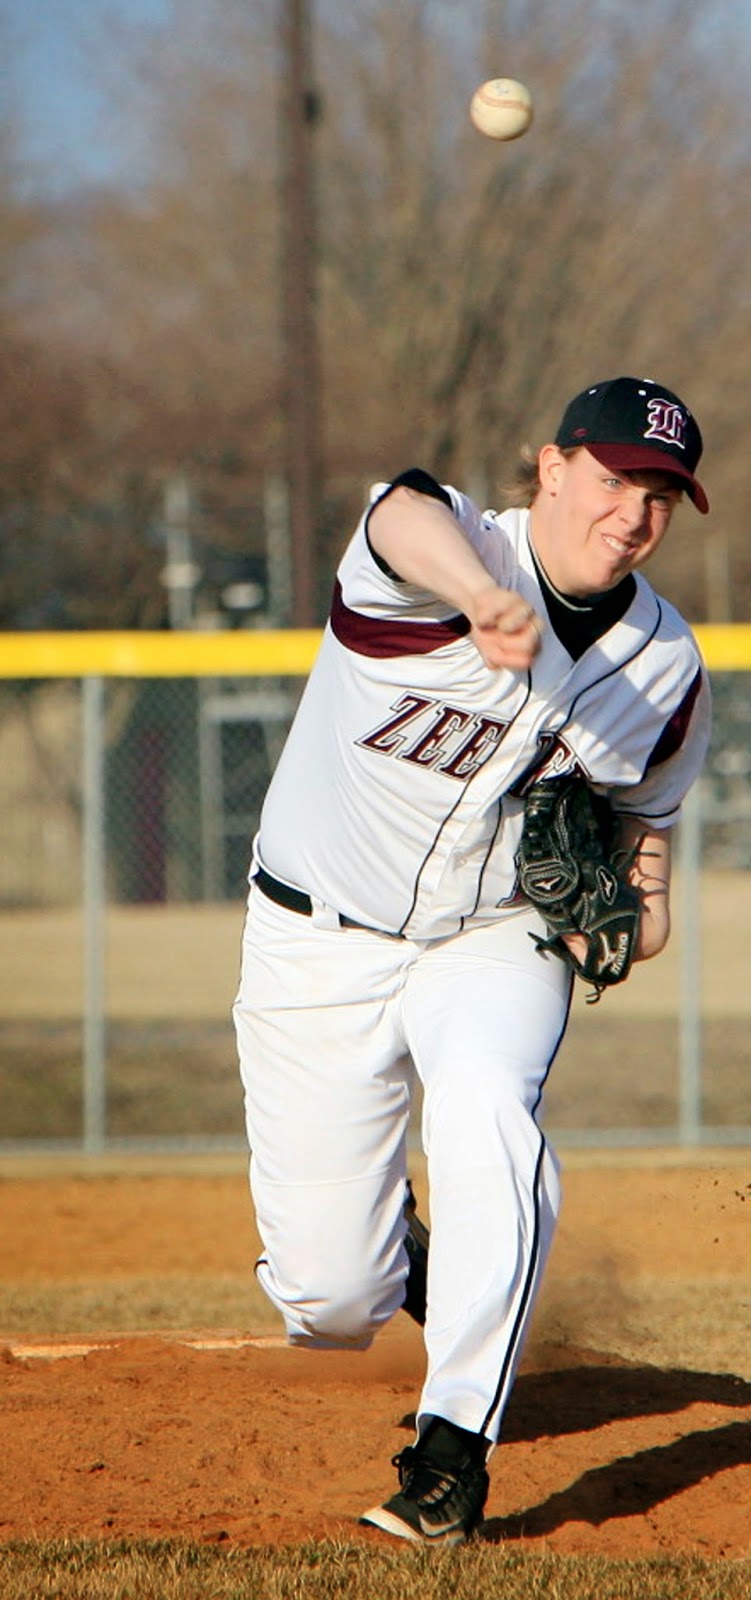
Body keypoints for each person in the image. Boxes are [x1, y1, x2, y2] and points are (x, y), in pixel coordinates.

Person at [233, 375, 712, 1544]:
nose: (632, 512)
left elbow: (648, 807)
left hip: (492, 937)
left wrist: (643, 909)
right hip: (317, 935)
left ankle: (450, 1455)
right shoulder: (438, 557)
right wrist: (478, 599)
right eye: (612, 479)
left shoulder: (663, 663)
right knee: (327, 1297)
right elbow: (397, 507)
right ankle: (420, 1266)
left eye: (660, 494)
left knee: (488, 1108)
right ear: (550, 469)